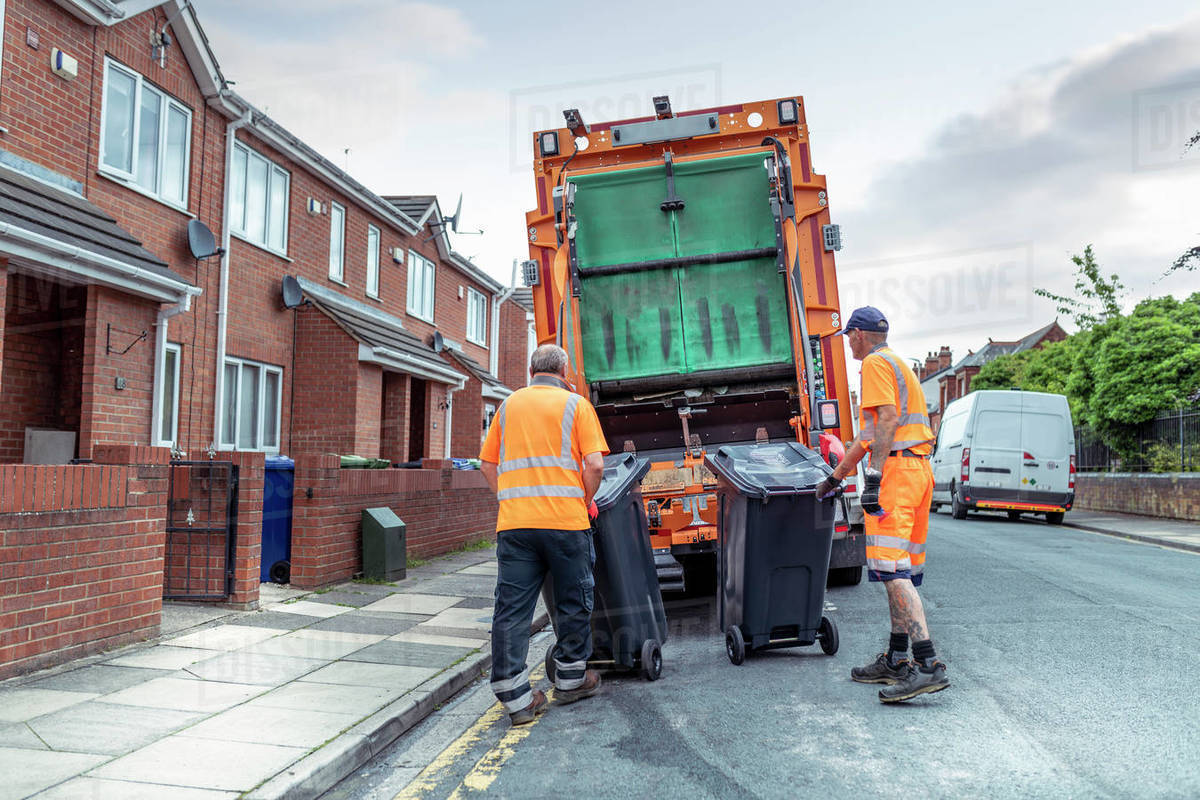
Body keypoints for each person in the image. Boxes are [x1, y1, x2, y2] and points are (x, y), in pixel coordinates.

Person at [815, 306, 950, 703]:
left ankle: (928, 665)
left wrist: (872, 479)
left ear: (858, 334)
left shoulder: (874, 364)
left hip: (897, 476)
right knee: (898, 570)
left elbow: (887, 421)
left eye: (848, 338)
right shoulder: (899, 364)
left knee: (893, 573)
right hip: (917, 473)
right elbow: (868, 436)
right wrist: (835, 478)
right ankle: (896, 658)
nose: (849, 346)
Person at [479, 344, 609, 725]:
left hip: (516, 526)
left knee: (512, 609)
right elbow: (595, 466)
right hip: (566, 524)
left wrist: (509, 499)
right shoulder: (576, 405)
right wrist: (583, 500)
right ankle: (570, 681)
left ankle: (516, 699)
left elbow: (487, 464)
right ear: (564, 372)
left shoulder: (508, 406)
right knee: (573, 600)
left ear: (531, 371)